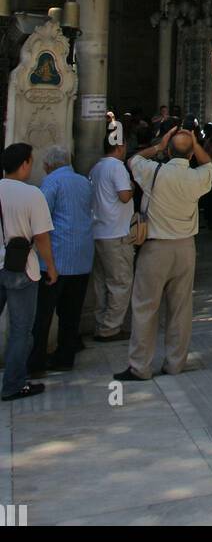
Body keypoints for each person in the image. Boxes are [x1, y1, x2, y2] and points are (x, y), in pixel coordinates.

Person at [115, 127, 212, 381]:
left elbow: (132, 160)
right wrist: (194, 144)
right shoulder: (197, 177)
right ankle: (175, 363)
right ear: (192, 154)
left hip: (156, 248)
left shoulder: (153, 172)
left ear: (168, 150)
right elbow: (210, 164)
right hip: (185, 248)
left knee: (146, 307)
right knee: (181, 307)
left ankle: (140, 366)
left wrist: (159, 146)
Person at [28, 146, 94, 376]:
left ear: (47, 165)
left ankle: (36, 362)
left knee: (43, 315)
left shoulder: (51, 184)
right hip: (82, 258)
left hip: (55, 261)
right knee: (71, 313)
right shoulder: (84, 182)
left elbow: (40, 220)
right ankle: (65, 357)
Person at [0, 143, 57, 401]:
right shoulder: (32, 194)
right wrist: (51, 267)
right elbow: (42, 237)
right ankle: (13, 384)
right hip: (21, 267)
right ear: (24, 164)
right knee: (21, 330)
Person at [89, 128, 136, 342]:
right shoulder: (117, 167)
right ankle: (110, 328)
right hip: (116, 233)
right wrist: (133, 187)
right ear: (119, 147)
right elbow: (124, 196)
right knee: (121, 282)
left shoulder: (96, 168)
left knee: (101, 282)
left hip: (99, 231)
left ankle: (100, 323)